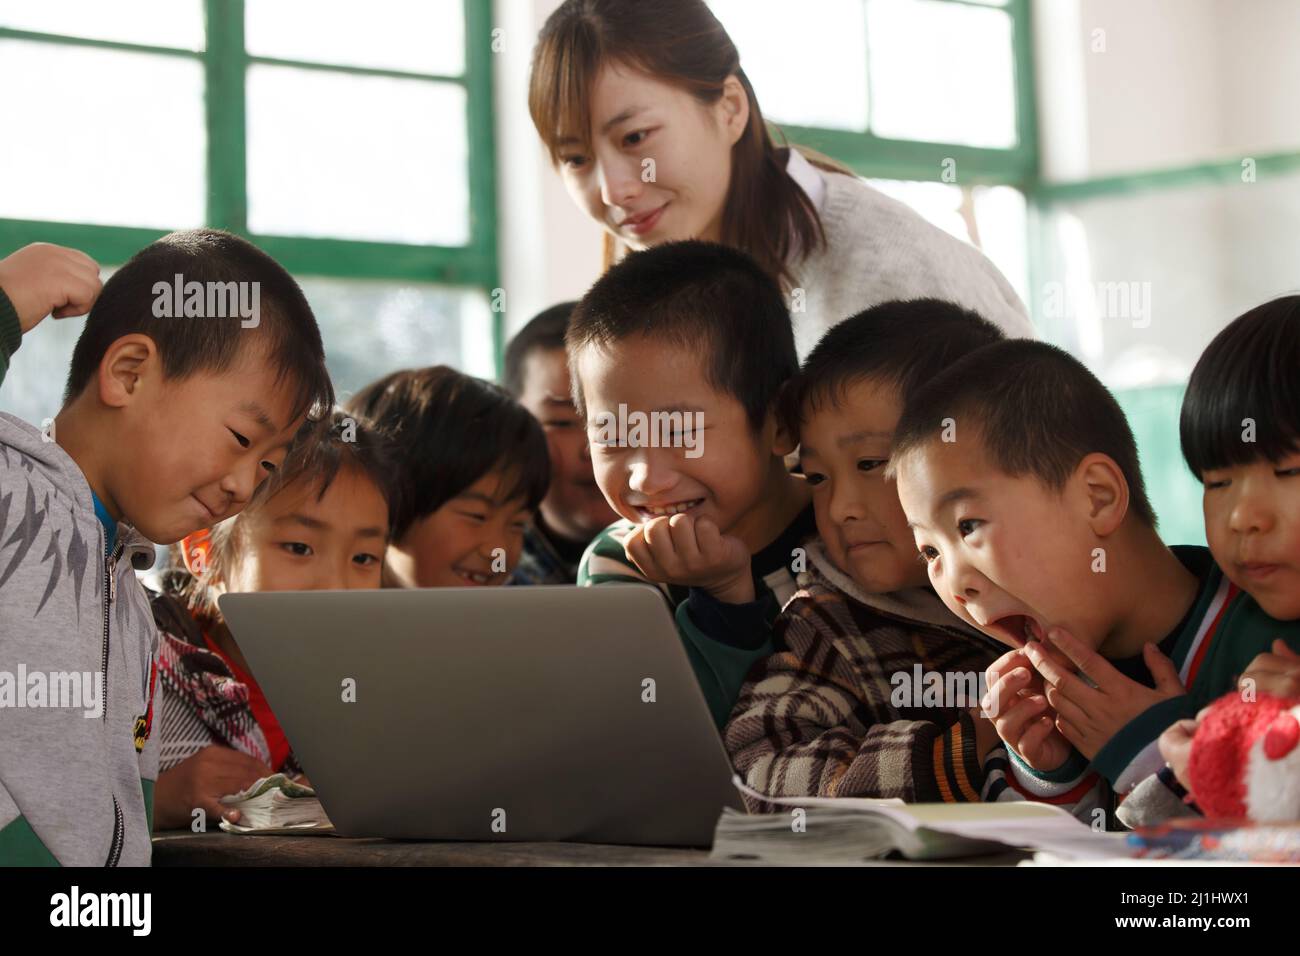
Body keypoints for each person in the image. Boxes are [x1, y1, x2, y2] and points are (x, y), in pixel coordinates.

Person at [0, 229, 332, 864]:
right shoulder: (15, 499)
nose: (243, 485)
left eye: (268, 468)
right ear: (129, 374)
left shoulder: (129, 598)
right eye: (240, 438)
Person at [528, 0, 1033, 359]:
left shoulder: (900, 278)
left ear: (729, 109)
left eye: (635, 138)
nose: (614, 191)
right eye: (574, 159)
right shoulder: (649, 294)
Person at [725, 301, 1011, 806]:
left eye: (870, 463)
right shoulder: (830, 625)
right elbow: (759, 770)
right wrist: (951, 756)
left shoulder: (1058, 591)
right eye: (817, 477)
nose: (839, 508)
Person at [571, 240, 815, 727]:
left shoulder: (850, 532)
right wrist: (722, 600)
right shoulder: (621, 565)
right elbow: (654, 738)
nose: (647, 478)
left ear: (780, 421)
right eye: (614, 436)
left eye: (681, 433)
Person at [346, 366, 549, 588]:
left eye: (517, 525)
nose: (496, 550)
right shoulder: (327, 607)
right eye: (477, 516)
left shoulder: (525, 613)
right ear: (389, 503)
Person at [503, 302, 616, 584]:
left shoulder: (701, 565)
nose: (593, 448)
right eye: (562, 423)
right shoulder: (484, 565)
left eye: (613, 421)